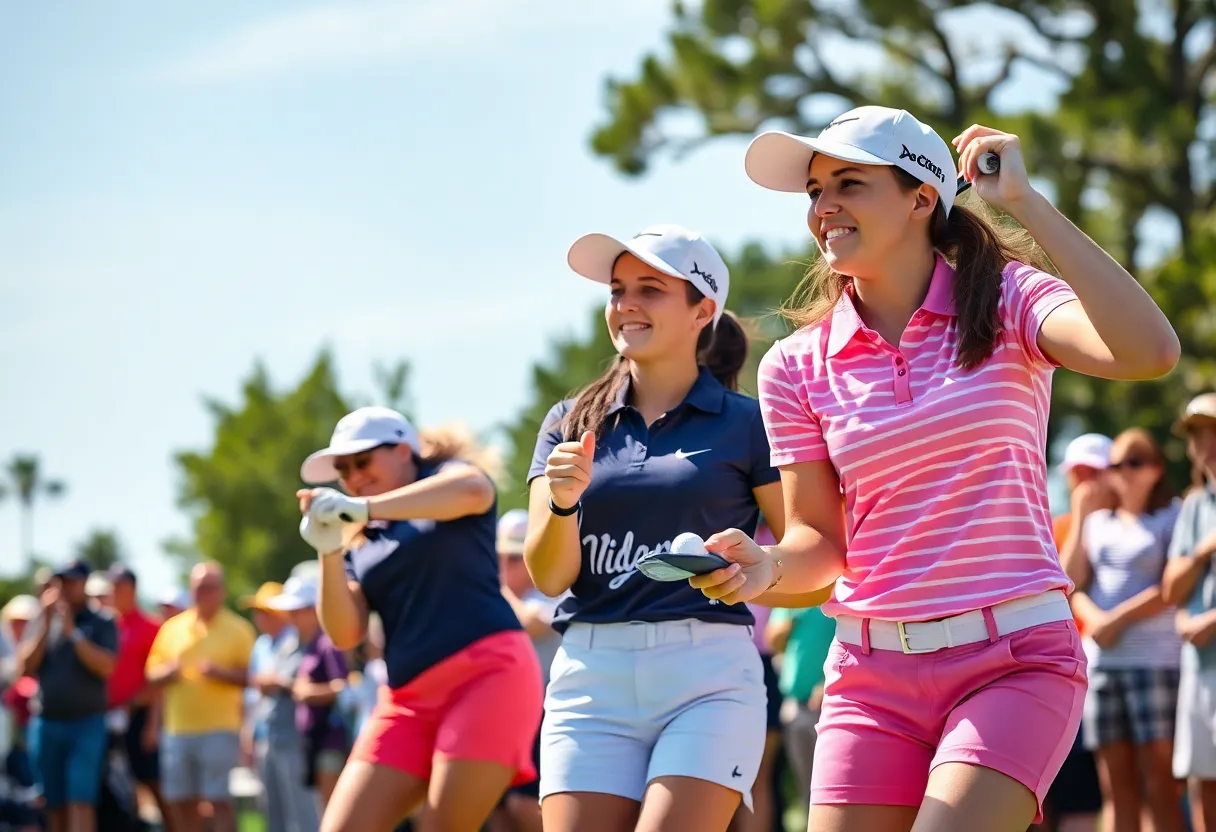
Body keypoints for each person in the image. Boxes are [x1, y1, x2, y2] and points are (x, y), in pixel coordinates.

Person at [690, 106, 1180, 832]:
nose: (823, 208)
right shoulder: (794, 366)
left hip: (1015, 661)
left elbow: (1148, 351)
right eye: (815, 191)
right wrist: (764, 567)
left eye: (848, 184)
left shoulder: (1012, 300)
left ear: (923, 198)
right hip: (869, 678)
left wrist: (1025, 202)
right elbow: (821, 542)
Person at [526, 224, 828, 832]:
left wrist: (756, 573)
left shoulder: (749, 423)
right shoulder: (569, 420)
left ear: (703, 310)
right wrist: (562, 504)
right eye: (616, 290)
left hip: (708, 678)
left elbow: (814, 564)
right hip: (590, 677)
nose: (625, 304)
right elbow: (550, 574)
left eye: (650, 289)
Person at [295, 406, 542, 832]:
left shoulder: (446, 475)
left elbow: (473, 492)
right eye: (343, 469)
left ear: (404, 450)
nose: (353, 476)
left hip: (489, 677)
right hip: (407, 701)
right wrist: (328, 549)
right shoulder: (362, 538)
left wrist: (361, 507)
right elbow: (344, 632)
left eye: (362, 461)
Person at [1061, 428, 1182, 832]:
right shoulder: (1096, 525)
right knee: (1115, 788)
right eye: (1116, 464)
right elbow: (1070, 583)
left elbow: (1172, 587)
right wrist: (1080, 516)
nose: (1123, 472)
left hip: (1156, 663)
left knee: (1159, 784)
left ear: (1156, 469)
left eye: (1135, 462)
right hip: (1104, 666)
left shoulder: (1172, 515)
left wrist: (1116, 620)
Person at [145, 562, 256, 832]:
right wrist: (168, 672)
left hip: (221, 728)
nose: (203, 593)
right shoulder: (172, 628)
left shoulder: (239, 629)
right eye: (198, 587)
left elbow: (253, 677)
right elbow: (151, 674)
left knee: (218, 800)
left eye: (209, 587)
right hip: (177, 729)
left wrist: (221, 673)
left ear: (222, 591)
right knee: (180, 800)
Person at [1038, 437, 1112, 832]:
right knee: (1053, 792)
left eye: (1094, 473)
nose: (1084, 484)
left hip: (1110, 669)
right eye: (1077, 474)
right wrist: (1082, 516)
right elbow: (1066, 585)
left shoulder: (1134, 525)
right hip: (1065, 670)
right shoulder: (1060, 526)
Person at [17, 560, 117, 832]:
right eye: (60, 581)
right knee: (52, 802)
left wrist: (73, 633)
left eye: (71, 581)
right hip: (47, 723)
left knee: (80, 800)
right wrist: (46, 624)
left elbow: (105, 666)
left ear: (84, 583)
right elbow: (25, 666)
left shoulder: (102, 620)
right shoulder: (42, 619)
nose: (64, 588)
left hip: (86, 724)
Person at [1163, 393, 1216, 832]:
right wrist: (1204, 550)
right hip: (1200, 668)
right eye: (1198, 433)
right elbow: (1172, 589)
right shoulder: (1195, 505)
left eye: (1213, 429)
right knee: (1203, 781)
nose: (1206, 442)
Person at [493, 508, 560, 832]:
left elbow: (528, 624)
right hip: (512, 715)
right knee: (498, 809)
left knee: (524, 804)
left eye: (515, 558)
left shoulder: (549, 592)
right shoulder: (502, 600)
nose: (506, 567)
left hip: (545, 713)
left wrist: (495, 587)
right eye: (502, 558)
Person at [242, 580, 318, 832]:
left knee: (302, 814)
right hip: (269, 736)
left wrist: (279, 683)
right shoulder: (273, 644)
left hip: (297, 739)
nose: (259, 618)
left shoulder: (314, 642)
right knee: (273, 814)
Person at [269, 577, 349, 814]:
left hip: (330, 739)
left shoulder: (327, 643)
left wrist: (309, 693)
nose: (290, 618)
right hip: (312, 741)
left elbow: (344, 688)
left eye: (296, 611)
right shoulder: (302, 643)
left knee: (332, 811)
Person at [105, 564, 167, 828]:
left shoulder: (151, 626)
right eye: (113, 585)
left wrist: (152, 725)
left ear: (133, 589)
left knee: (154, 784)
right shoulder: (105, 624)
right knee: (119, 788)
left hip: (140, 716)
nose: (116, 591)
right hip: (107, 718)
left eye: (121, 585)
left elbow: (158, 681)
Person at [765, 603, 835, 810]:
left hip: (829, 704)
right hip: (794, 703)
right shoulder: (793, 597)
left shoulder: (836, 595)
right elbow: (772, 642)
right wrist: (787, 625)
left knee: (831, 791)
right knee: (808, 792)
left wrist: (828, 683)